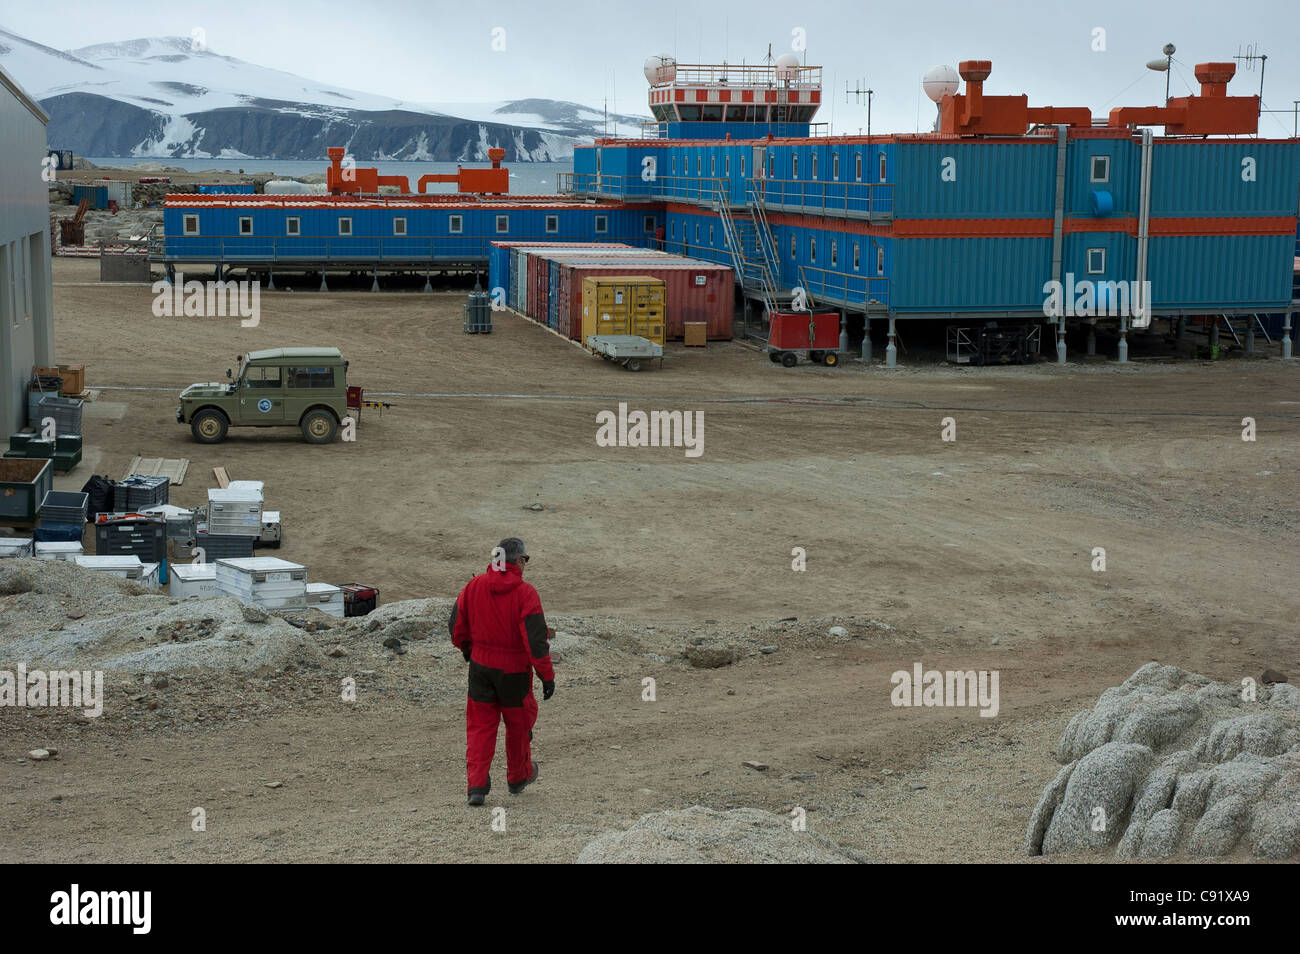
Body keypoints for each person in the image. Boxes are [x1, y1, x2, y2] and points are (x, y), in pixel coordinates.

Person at [449, 537, 556, 806]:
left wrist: (467, 650)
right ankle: (518, 776)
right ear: (518, 561)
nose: (526, 564)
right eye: (525, 559)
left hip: (481, 668)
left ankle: (476, 786)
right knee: (519, 726)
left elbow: (456, 625)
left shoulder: (474, 586)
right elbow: (536, 641)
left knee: (480, 727)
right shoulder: (525, 593)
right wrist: (547, 675)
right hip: (514, 673)